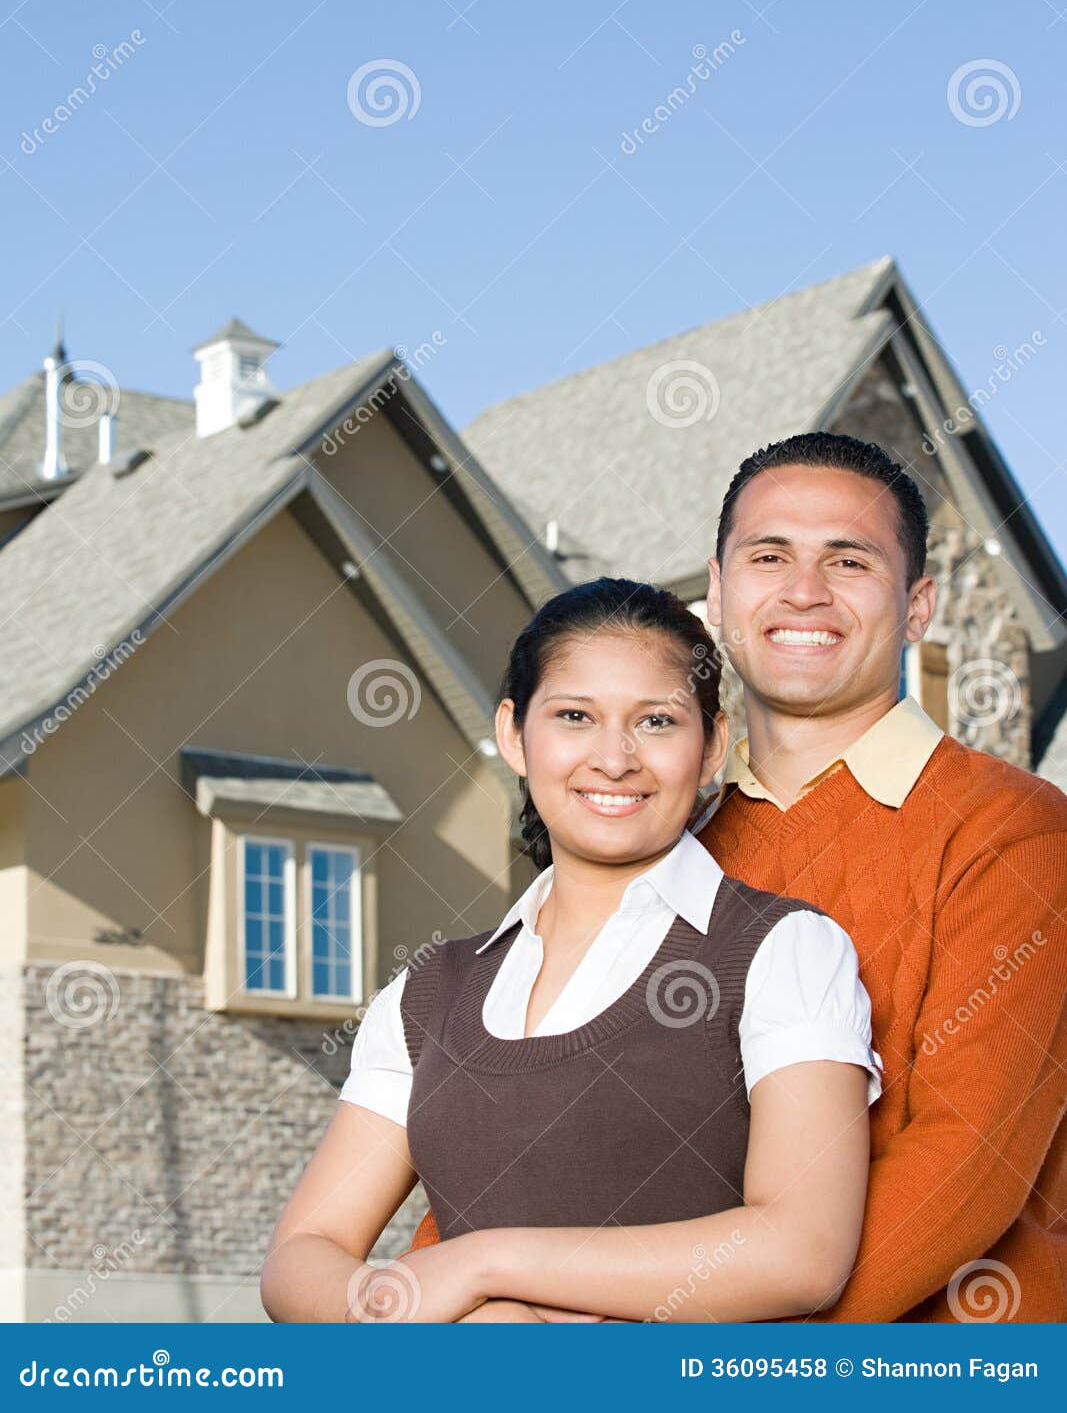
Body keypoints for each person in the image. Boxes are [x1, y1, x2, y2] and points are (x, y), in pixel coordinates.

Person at [404, 431, 1067, 1323]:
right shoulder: (651, 842)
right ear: (717, 594)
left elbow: (965, 1166)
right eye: (768, 556)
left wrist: (678, 1372)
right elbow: (519, 1138)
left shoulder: (1014, 831)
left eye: (849, 561)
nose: (804, 591)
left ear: (916, 607)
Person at [260, 577, 882, 1323]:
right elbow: (303, 1254)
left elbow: (801, 1255)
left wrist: (484, 1267)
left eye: (656, 721)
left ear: (713, 744)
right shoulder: (428, 994)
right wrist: (416, 1314)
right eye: (574, 717)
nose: (614, 759)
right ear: (513, 734)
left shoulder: (783, 950)